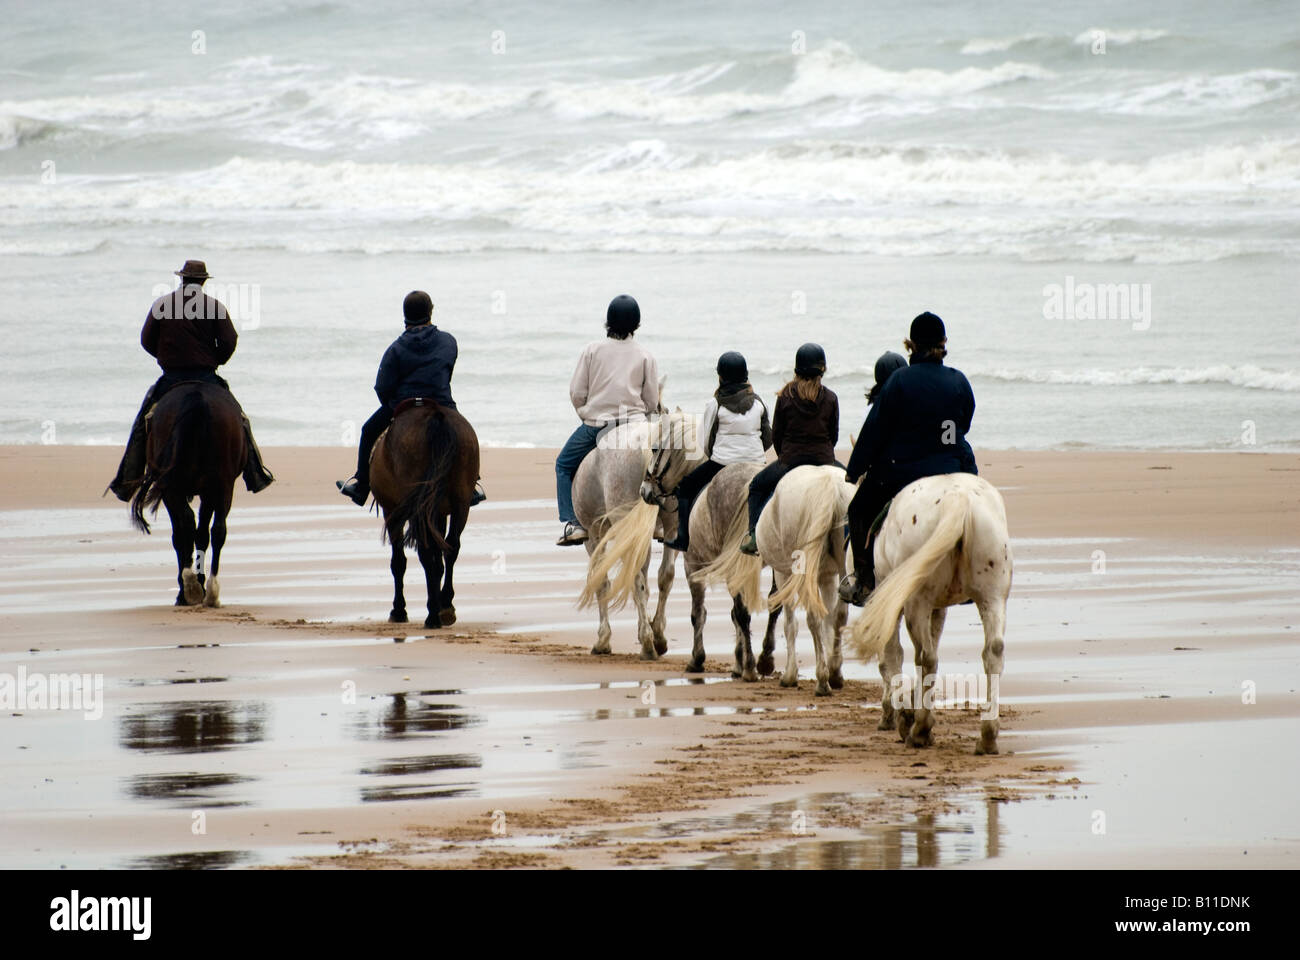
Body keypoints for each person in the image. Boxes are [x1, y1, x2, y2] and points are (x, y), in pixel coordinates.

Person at [838, 312, 977, 605]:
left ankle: (864, 582)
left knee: (859, 510)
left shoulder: (899, 382)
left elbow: (874, 431)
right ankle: (969, 574)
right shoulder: (958, 381)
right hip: (952, 467)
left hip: (902, 472)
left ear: (911, 345)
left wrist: (855, 470)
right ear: (943, 343)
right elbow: (962, 423)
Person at [107, 259, 274, 502]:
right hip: (206, 376)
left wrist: (164, 357)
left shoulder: (162, 304)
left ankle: (127, 479)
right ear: (203, 281)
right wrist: (216, 360)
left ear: (182, 279)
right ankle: (255, 473)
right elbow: (229, 341)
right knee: (240, 419)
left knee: (142, 425)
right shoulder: (214, 306)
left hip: (171, 377)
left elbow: (146, 341)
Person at [337, 290, 484, 507]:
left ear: (404, 315)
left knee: (368, 431)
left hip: (404, 405)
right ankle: (470, 486)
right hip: (441, 402)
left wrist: (393, 404)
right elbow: (447, 370)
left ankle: (361, 486)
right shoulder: (448, 341)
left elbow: (382, 387)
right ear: (431, 312)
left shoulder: (395, 349)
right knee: (465, 435)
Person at [555, 294, 659, 546]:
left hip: (597, 427)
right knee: (663, 465)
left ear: (608, 322)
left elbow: (576, 392)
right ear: (637, 324)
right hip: (635, 425)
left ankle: (574, 523)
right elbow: (652, 400)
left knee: (563, 466)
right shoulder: (646, 355)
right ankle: (663, 522)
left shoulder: (592, 350)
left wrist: (586, 413)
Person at [662, 351, 772, 552]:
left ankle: (683, 538)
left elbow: (706, 442)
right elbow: (768, 437)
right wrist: (752, 453)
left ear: (720, 376)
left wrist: (720, 455)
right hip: (756, 462)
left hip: (722, 463)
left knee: (686, 486)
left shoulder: (714, 404)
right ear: (745, 375)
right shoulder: (759, 402)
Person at [738, 343, 839, 555]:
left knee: (756, 487)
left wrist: (785, 457)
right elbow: (834, 436)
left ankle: (755, 537)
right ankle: (849, 541)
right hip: (824, 460)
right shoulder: (831, 398)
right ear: (823, 370)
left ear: (797, 370)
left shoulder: (785, 396)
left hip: (792, 461)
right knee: (851, 488)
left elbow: (777, 436)